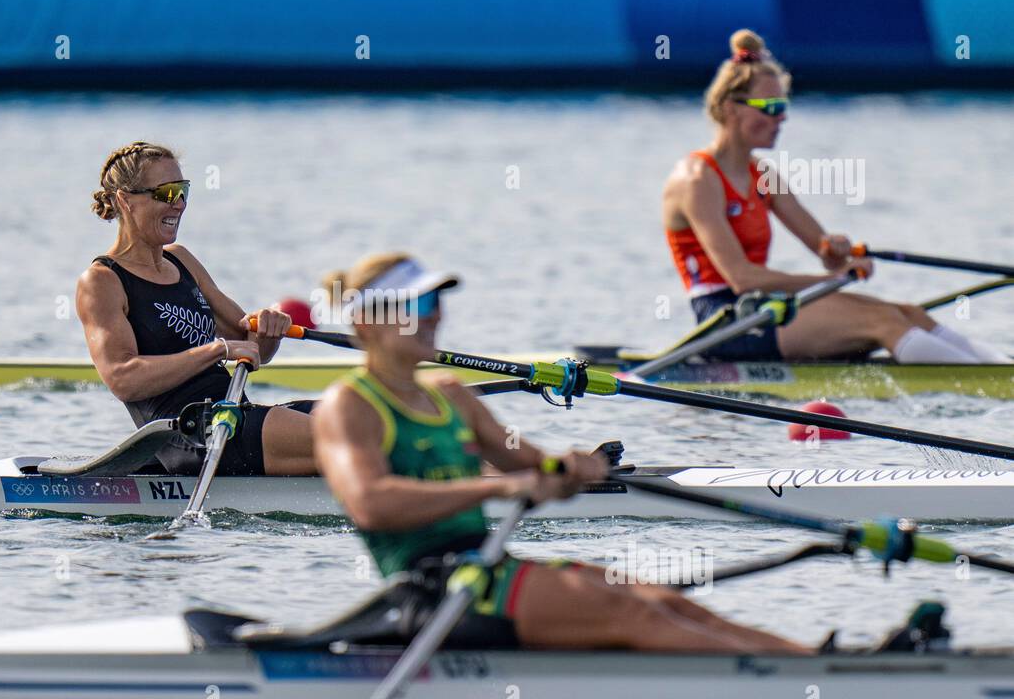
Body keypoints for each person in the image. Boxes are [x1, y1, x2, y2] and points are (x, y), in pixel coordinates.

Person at [312, 252, 809, 652]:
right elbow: (371, 503)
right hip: (433, 590)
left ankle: (816, 662)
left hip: (487, 566)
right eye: (418, 305)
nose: (436, 316)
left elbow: (532, 465)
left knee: (659, 598)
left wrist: (576, 467)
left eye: (436, 303)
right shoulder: (350, 405)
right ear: (369, 322)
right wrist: (507, 487)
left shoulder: (451, 395)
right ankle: (792, 680)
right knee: (633, 614)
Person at [662, 29, 1003, 364]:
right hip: (727, 321)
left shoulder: (763, 175)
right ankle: (985, 384)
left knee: (907, 313)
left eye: (783, 106)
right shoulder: (697, 179)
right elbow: (743, 278)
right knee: (883, 322)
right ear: (730, 108)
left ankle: (1001, 371)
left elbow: (824, 250)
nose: (782, 117)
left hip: (762, 307)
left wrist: (837, 252)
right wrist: (831, 281)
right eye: (770, 106)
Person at [77, 141, 316, 476]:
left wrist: (269, 327)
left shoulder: (182, 259)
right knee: (352, 438)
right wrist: (215, 350)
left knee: (364, 420)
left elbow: (251, 346)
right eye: (166, 193)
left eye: (183, 191)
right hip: (190, 436)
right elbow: (122, 378)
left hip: (231, 417)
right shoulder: (102, 281)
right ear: (125, 200)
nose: (179, 204)